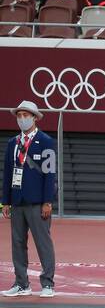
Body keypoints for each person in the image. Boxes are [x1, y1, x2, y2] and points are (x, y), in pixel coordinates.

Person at [1, 101, 57, 298]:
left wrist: (48, 201)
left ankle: (48, 283)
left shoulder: (46, 141)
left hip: (37, 202)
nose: (22, 119)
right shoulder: (12, 143)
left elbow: (50, 173)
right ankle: (21, 283)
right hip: (17, 200)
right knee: (17, 242)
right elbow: (8, 173)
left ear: (34, 117)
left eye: (26, 115)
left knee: (43, 242)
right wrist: (5, 201)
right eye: (19, 115)